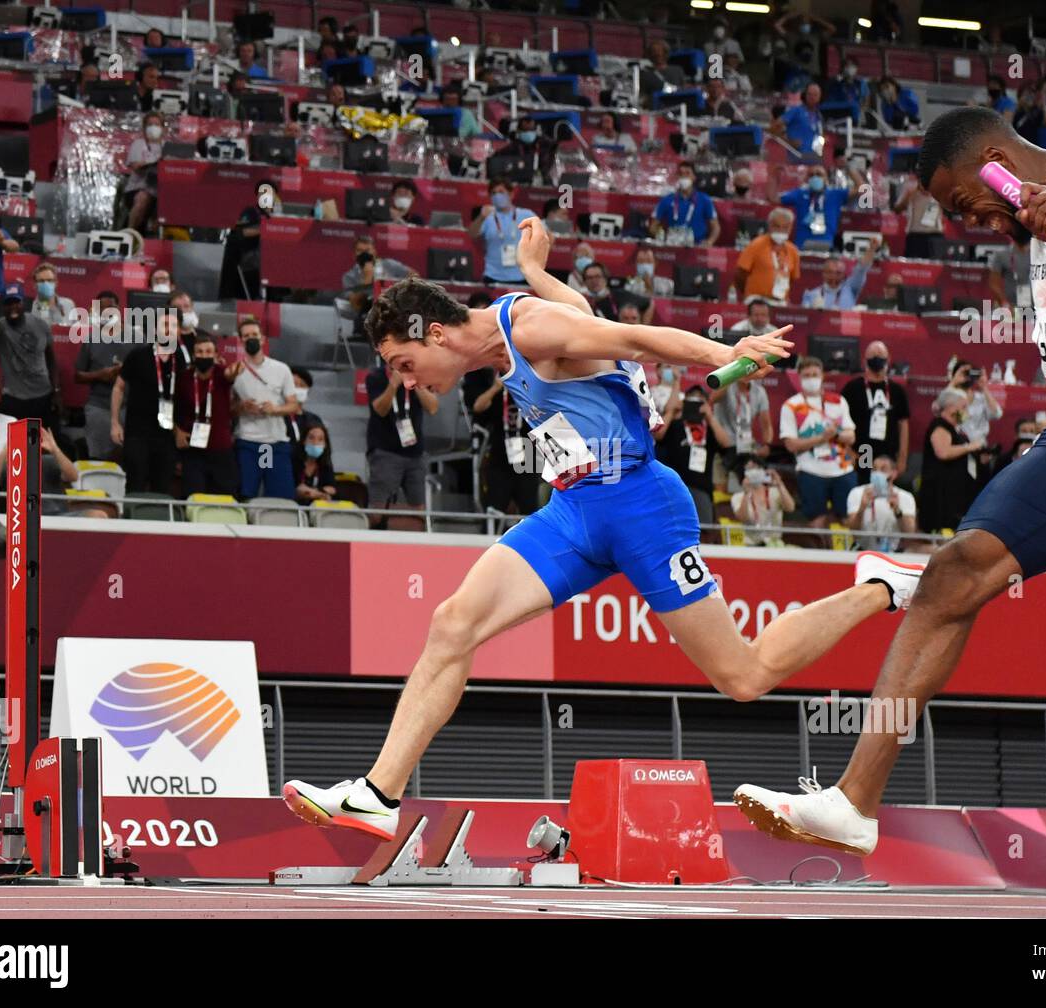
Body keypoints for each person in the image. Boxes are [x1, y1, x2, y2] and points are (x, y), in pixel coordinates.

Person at [280, 218, 923, 839]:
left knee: (745, 678)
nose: (407, 379)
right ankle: (377, 796)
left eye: (403, 362)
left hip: (642, 505)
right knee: (454, 621)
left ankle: (878, 586)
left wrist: (725, 352)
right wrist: (535, 268)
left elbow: (635, 339)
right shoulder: (515, 322)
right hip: (574, 510)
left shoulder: (528, 328)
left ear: (438, 334)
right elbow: (581, 312)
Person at [735, 104, 1046, 855]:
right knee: (952, 575)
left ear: (998, 158)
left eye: (966, 202)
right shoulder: (1031, 221)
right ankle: (853, 803)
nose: (972, 223)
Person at [778, 356, 857, 528]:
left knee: (848, 519)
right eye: (807, 375)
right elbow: (791, 444)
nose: (811, 379)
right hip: (810, 471)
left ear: (822, 376)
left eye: (815, 374)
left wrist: (834, 434)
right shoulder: (791, 406)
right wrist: (821, 438)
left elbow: (851, 436)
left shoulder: (838, 400)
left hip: (842, 470)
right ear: (799, 378)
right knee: (817, 520)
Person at [111, 308, 180, 496]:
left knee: (163, 487)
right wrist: (115, 423)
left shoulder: (183, 358)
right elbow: (118, 387)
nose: (169, 330)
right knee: (135, 484)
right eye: (165, 325)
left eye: (174, 325)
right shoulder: (138, 354)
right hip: (137, 433)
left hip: (167, 436)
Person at [365, 356, 439, 523]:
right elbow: (380, 410)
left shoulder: (420, 377)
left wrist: (414, 382)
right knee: (377, 510)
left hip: (415, 453)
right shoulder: (376, 377)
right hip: (385, 450)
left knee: (418, 508)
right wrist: (393, 384)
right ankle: (375, 539)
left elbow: (433, 407)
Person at [232, 318, 299, 500]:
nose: (251, 338)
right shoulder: (234, 371)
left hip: (273, 444)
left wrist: (275, 409)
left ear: (263, 339)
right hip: (247, 442)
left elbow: (294, 404)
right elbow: (228, 407)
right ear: (240, 340)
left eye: (254, 334)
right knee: (247, 494)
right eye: (246, 336)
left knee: (278, 496)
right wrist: (242, 407)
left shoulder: (281, 369)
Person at [464, 366, 541, 518]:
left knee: (530, 508)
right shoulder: (484, 379)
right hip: (500, 451)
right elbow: (477, 406)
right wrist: (496, 387)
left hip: (529, 453)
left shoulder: (526, 379)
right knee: (494, 507)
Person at [656, 381, 731, 533]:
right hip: (675, 488)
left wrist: (709, 416)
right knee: (672, 530)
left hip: (702, 490)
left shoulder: (709, 430)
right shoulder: (676, 425)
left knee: (702, 533)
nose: (695, 405)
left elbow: (726, 443)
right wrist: (671, 412)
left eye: (699, 401)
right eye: (691, 400)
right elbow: (658, 434)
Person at [0, 286, 59, 430]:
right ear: (3, 306)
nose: (13, 307)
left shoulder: (40, 325)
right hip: (14, 400)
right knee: (17, 449)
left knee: (40, 447)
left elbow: (51, 359)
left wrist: (56, 390)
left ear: (23, 303)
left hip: (42, 396)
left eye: (16, 302)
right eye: (8, 303)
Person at [73, 290, 135, 460]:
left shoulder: (137, 337)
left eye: (111, 307)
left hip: (129, 408)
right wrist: (100, 375)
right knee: (99, 459)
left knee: (128, 459)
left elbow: (147, 372)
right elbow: (78, 376)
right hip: (99, 407)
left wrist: (127, 370)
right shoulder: (91, 339)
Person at [174, 332, 238, 496]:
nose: (204, 355)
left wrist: (235, 371)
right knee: (193, 498)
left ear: (216, 355)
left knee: (224, 499)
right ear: (194, 355)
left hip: (221, 448)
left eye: (208, 352)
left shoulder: (222, 373)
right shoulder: (184, 378)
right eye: (200, 352)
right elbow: (174, 411)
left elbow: (230, 375)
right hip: (193, 449)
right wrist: (177, 431)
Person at [915, 386, 982, 533]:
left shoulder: (958, 430)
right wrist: (969, 447)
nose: (966, 411)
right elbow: (943, 452)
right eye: (964, 407)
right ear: (951, 407)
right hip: (940, 496)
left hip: (956, 495)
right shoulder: (940, 426)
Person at [841, 342, 909, 481]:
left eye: (880, 355)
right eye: (873, 355)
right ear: (864, 360)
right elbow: (840, 421)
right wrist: (848, 451)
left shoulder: (897, 390)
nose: (877, 358)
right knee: (861, 492)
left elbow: (903, 425)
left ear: (888, 359)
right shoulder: (852, 388)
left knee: (884, 494)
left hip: (888, 452)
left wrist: (902, 458)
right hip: (861, 452)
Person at [469, 177, 534, 286]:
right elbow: (472, 234)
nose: (497, 196)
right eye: (493, 193)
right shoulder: (487, 216)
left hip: (521, 276)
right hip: (493, 275)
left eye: (501, 192)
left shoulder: (526, 215)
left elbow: (546, 236)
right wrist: (481, 217)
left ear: (511, 194)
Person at [845, 454, 915, 552]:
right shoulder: (857, 493)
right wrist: (862, 508)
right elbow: (853, 531)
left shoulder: (905, 497)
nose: (877, 473)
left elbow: (910, 533)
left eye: (883, 469)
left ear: (894, 474)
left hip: (894, 553)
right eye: (874, 469)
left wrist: (897, 510)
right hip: (862, 551)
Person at [734, 208, 800, 304]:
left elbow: (792, 279)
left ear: (791, 228)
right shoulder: (756, 245)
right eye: (777, 226)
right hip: (756, 299)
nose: (781, 230)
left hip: (780, 301)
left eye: (785, 227)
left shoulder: (793, 250)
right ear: (769, 225)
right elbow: (740, 273)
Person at [649, 161, 720, 248]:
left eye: (687, 173)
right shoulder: (666, 200)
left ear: (694, 177)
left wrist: (709, 242)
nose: (684, 176)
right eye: (681, 173)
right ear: (677, 177)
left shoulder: (705, 200)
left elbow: (716, 227)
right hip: (672, 246)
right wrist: (661, 237)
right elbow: (653, 226)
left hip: (697, 247)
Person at [731, 455, 795, 546]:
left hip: (775, 545)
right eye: (750, 469)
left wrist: (779, 484)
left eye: (757, 467)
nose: (754, 471)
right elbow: (743, 518)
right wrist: (746, 493)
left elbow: (790, 508)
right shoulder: (738, 497)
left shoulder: (775, 492)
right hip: (751, 546)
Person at [780, 164, 847, 251]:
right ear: (807, 179)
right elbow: (773, 198)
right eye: (811, 175)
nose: (815, 178)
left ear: (826, 178)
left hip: (826, 246)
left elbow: (860, 188)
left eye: (819, 174)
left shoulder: (835, 194)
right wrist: (773, 177)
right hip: (801, 246)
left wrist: (849, 166)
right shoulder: (800, 194)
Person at [800, 239, 879, 310]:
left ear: (843, 275)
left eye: (838, 273)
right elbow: (806, 319)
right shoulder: (812, 295)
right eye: (830, 272)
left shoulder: (850, 288)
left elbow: (862, 268)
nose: (833, 276)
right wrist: (814, 311)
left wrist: (871, 249)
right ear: (823, 274)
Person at [948, 359, 1002, 447]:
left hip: (979, 448)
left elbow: (996, 414)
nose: (966, 377)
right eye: (962, 373)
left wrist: (984, 387)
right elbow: (956, 419)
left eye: (968, 373)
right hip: (956, 446)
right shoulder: (949, 398)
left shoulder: (981, 398)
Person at [125, 112, 165, 235]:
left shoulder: (166, 147)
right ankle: (130, 234)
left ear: (162, 128)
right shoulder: (138, 144)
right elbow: (136, 166)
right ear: (144, 128)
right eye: (150, 124)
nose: (153, 127)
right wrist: (153, 163)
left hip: (160, 192)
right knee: (143, 197)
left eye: (157, 124)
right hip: (138, 189)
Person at [493, 115, 557, 185]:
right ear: (518, 131)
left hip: (541, 181)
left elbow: (551, 154)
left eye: (531, 130)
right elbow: (496, 159)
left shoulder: (545, 144)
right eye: (525, 130)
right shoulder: (514, 146)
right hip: (518, 181)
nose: (528, 132)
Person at [893, 175, 943, 260]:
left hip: (935, 236)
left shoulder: (940, 190)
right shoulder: (911, 191)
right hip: (915, 236)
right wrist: (908, 196)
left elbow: (952, 210)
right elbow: (897, 210)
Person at [294, 423, 337, 504]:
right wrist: (320, 494)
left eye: (320, 439)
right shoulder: (294, 461)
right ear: (304, 441)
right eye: (311, 438)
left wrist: (315, 492)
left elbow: (332, 489)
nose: (315, 442)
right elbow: (298, 489)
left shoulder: (325, 464)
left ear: (325, 445)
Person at [781, 82, 824, 154]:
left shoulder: (819, 116)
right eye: (809, 94)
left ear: (820, 97)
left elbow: (819, 139)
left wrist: (818, 155)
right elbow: (774, 127)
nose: (812, 97)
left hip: (811, 158)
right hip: (795, 158)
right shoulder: (796, 110)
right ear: (805, 95)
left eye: (815, 95)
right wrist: (789, 141)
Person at [29, 262, 77, 326]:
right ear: (35, 284)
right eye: (41, 281)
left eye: (49, 280)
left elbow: (76, 333)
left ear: (56, 283)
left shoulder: (69, 304)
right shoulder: (30, 309)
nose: (46, 284)